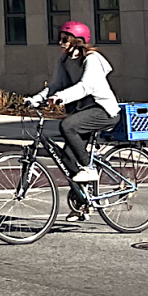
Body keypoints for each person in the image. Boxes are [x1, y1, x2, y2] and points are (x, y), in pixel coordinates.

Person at [27, 20, 119, 216]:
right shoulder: (64, 61)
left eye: (64, 39)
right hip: (83, 112)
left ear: (77, 40)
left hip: (103, 110)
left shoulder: (92, 59)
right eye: (60, 39)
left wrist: (62, 97)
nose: (60, 43)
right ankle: (83, 201)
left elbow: (87, 86)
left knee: (67, 126)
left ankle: (88, 167)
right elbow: (55, 85)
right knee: (67, 156)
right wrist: (34, 100)